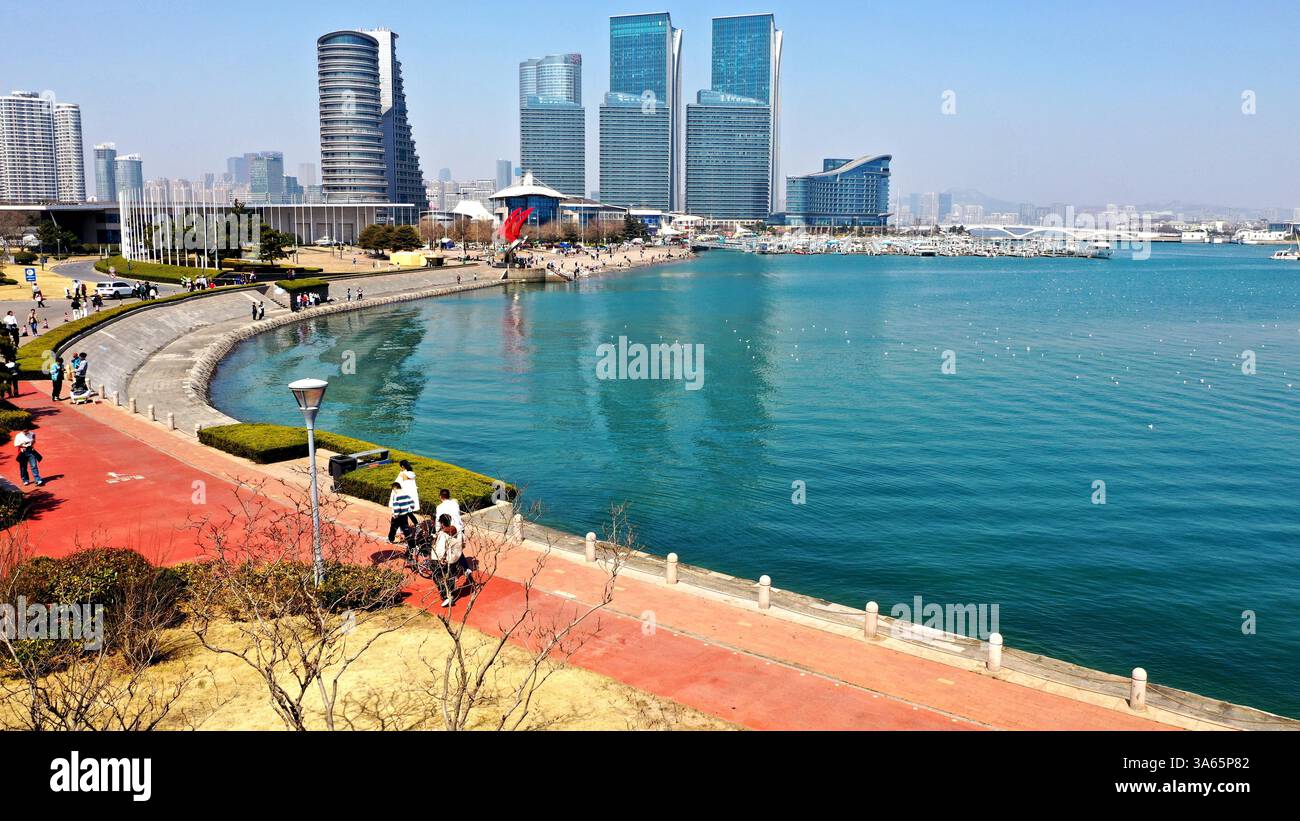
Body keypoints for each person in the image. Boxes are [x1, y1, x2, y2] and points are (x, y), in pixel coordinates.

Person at [431, 513, 465, 607]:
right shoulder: (459, 532)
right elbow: (463, 544)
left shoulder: (442, 534)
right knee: (450, 577)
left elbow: (441, 549)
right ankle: (451, 594)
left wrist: (441, 558)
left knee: (436, 576)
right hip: (455, 558)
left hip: (445, 559)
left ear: (442, 523)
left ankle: (446, 596)